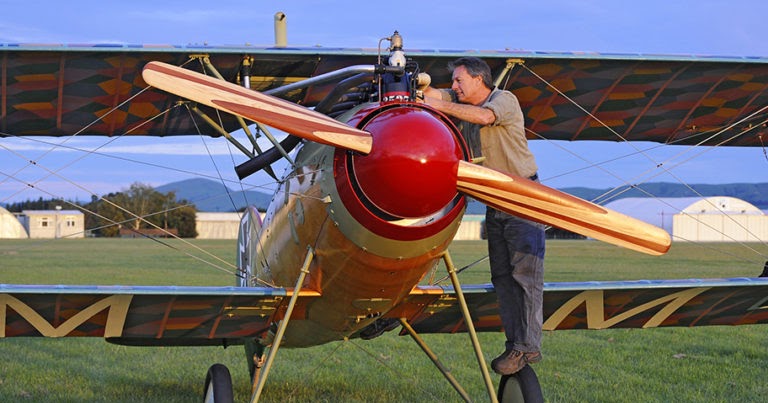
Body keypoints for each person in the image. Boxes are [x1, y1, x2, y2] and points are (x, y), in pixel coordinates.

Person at [420, 57, 545, 376]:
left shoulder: (503, 99)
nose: (455, 87)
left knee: (525, 276)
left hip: (523, 198)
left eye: (460, 81)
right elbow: (434, 95)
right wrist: (419, 84)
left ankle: (527, 347)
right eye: (453, 82)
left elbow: (483, 117)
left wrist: (441, 103)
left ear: (479, 80)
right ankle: (513, 342)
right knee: (502, 276)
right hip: (494, 201)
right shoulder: (458, 97)